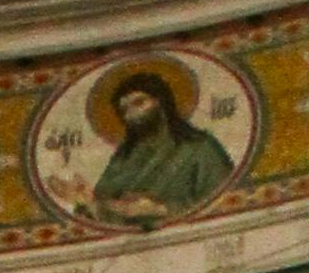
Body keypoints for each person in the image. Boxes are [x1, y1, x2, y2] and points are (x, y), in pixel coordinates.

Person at [87, 64, 238, 225]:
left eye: (139, 102)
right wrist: (86, 201)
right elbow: (104, 203)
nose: (131, 114)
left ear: (161, 102)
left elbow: (225, 202)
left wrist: (159, 210)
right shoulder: (123, 158)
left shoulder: (200, 147)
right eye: (124, 110)